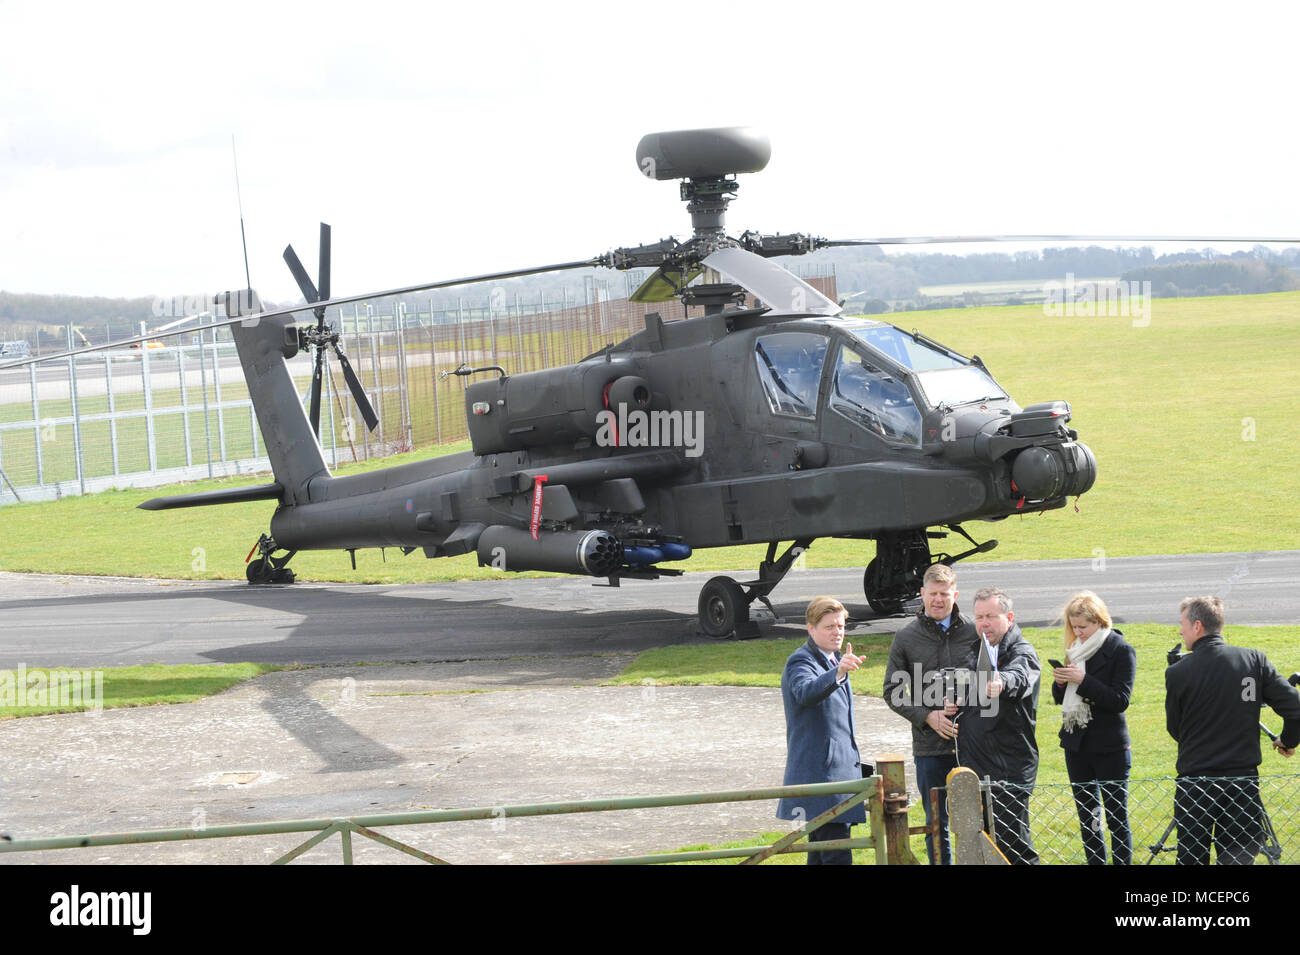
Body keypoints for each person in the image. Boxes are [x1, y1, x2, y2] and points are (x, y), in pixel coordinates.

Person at [1165, 595, 1300, 865]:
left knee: (1191, 858)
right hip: (1242, 782)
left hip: (1196, 783)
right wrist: (1288, 740)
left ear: (1197, 626)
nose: (1180, 630)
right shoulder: (1253, 661)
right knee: (1238, 858)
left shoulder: (1178, 672)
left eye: (1182, 624)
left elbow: (1175, 728)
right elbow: (1295, 707)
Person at [884, 563, 978, 864]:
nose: (938, 600)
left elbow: (992, 683)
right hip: (929, 748)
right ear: (922, 593)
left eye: (945, 594)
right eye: (933, 594)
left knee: (977, 821)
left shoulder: (976, 632)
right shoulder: (906, 638)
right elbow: (892, 691)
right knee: (937, 823)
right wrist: (928, 716)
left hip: (973, 745)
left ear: (956, 594)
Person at [777, 596, 868, 864]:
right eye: (829, 627)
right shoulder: (801, 661)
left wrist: (838, 669)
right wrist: (838, 673)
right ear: (810, 628)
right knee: (836, 855)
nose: (837, 632)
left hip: (835, 777)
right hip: (823, 779)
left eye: (840, 626)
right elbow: (806, 692)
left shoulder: (832, 660)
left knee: (820, 854)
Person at [1051, 591, 1136, 865]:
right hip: (1077, 745)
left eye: (1083, 627)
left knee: (1115, 815)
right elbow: (1061, 698)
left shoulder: (1121, 649)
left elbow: (1120, 700)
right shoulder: (1075, 649)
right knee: (1088, 816)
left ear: (1099, 621)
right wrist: (1062, 683)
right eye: (1073, 627)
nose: (1078, 632)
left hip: (1110, 745)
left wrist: (1083, 680)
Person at [958, 587, 1041, 864]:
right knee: (980, 845)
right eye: (979, 617)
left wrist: (1002, 683)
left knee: (1013, 847)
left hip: (1008, 767)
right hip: (976, 767)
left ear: (1009, 617)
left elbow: (1020, 676)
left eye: (991, 616)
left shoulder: (1022, 651)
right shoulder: (977, 651)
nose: (984, 623)